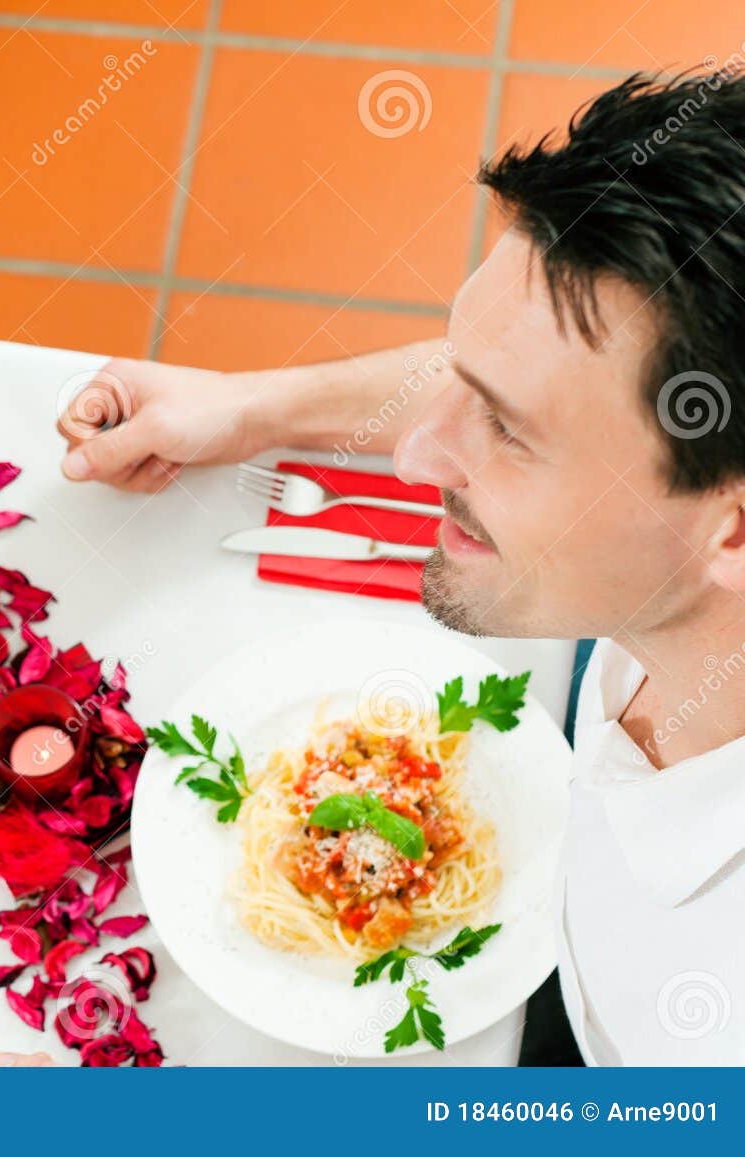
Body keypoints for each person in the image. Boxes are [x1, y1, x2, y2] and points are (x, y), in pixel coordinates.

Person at [52, 70, 745, 1066]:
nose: (412, 456)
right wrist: (250, 408)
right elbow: (552, 370)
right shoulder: (669, 568)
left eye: (505, 430)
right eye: (461, 375)